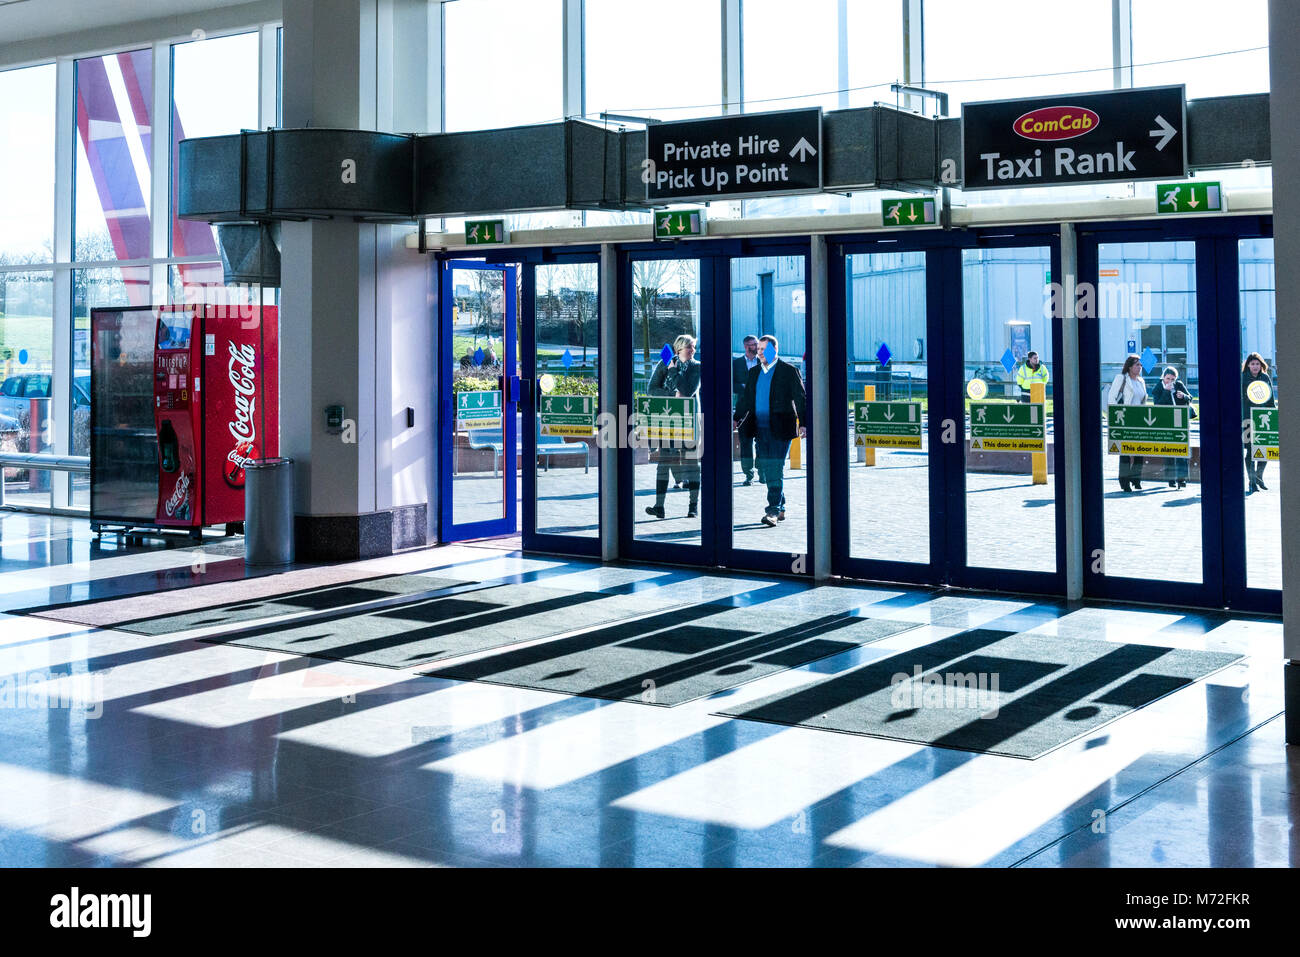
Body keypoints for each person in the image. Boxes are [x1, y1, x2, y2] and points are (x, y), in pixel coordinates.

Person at [734, 334, 807, 526]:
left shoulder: (789, 371)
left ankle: (772, 511)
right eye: (758, 349)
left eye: (763, 349)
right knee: (766, 469)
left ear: (774, 350)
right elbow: (746, 399)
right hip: (760, 429)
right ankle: (780, 506)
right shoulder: (755, 372)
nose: (759, 353)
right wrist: (735, 418)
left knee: (775, 468)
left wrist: (805, 423)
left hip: (781, 429)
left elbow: (800, 398)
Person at [644, 334, 702, 519]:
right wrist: (671, 394)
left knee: (691, 463)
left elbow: (687, 391)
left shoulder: (697, 367)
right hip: (667, 420)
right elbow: (651, 389)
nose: (692, 350)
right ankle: (658, 507)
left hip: (688, 421)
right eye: (689, 347)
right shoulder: (664, 364)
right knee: (663, 464)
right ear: (679, 349)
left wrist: (673, 372)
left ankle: (693, 507)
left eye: (693, 347)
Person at [1108, 354, 1148, 493]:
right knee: (1125, 451)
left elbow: (1143, 401)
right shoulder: (1122, 379)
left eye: (1141, 365)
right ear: (1130, 366)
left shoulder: (1141, 381)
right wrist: (1116, 416)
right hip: (1125, 419)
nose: (1139, 367)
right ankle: (1124, 481)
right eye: (1137, 364)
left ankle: (1136, 479)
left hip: (1139, 420)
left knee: (1139, 451)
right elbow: (1112, 398)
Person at [1152, 365, 1194, 489]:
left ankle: (1182, 479)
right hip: (1165, 419)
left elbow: (1190, 397)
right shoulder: (1158, 387)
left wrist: (1184, 396)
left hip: (1180, 419)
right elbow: (1158, 404)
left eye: (1172, 379)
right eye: (1168, 378)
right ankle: (1170, 478)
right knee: (1169, 449)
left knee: (1182, 449)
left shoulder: (1179, 384)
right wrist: (1166, 391)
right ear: (1163, 377)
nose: (1170, 381)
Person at [1242, 351, 1275, 493]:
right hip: (1247, 418)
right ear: (1248, 365)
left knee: (1264, 450)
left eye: (1257, 364)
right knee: (1250, 450)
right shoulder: (1243, 378)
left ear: (1261, 365)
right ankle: (1252, 481)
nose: (1255, 366)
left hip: (1263, 418)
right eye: (1252, 363)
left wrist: (1273, 415)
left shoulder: (1265, 377)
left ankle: (1259, 476)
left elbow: (1270, 398)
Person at [732, 335, 761, 485]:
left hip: (761, 408)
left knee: (762, 441)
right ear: (745, 346)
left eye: (756, 344)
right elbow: (731, 383)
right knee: (746, 443)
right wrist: (743, 387)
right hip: (744, 409)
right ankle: (748, 474)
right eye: (752, 345)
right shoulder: (736, 364)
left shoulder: (762, 361)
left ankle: (761, 471)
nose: (756, 347)